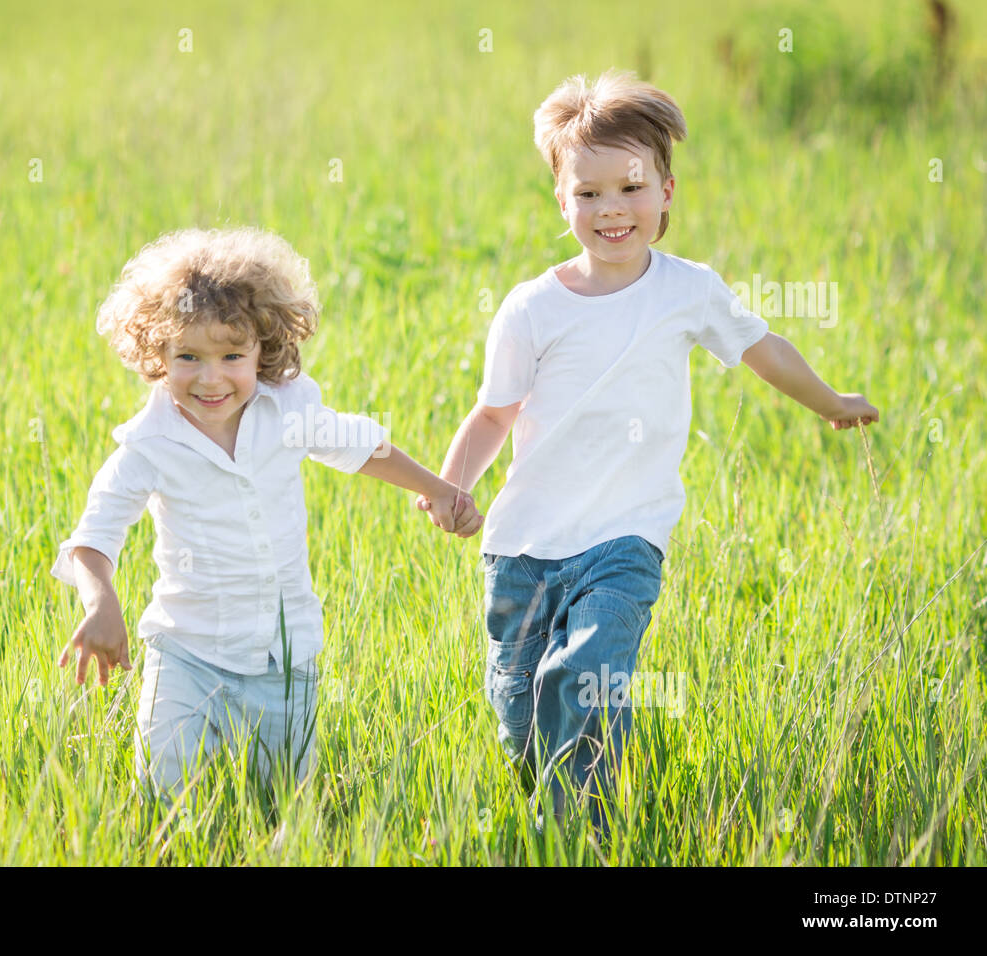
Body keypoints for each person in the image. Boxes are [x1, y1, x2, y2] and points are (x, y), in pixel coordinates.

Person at [421, 69, 879, 834]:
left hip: (625, 538)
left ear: (666, 189)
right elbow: (493, 413)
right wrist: (450, 486)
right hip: (523, 547)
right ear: (560, 200)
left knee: (588, 673)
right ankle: (552, 823)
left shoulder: (686, 290)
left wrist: (831, 402)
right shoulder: (531, 308)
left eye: (630, 188)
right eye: (588, 193)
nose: (611, 210)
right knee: (522, 715)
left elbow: (762, 347)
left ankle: (598, 833)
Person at [51, 226, 481, 810]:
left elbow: (359, 447)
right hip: (185, 658)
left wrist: (438, 490)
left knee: (279, 805)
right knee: (168, 800)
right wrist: (101, 605)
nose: (210, 377)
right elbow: (94, 537)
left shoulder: (287, 411)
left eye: (232, 355)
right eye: (188, 357)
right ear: (157, 355)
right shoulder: (148, 444)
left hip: (285, 658)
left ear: (263, 350)